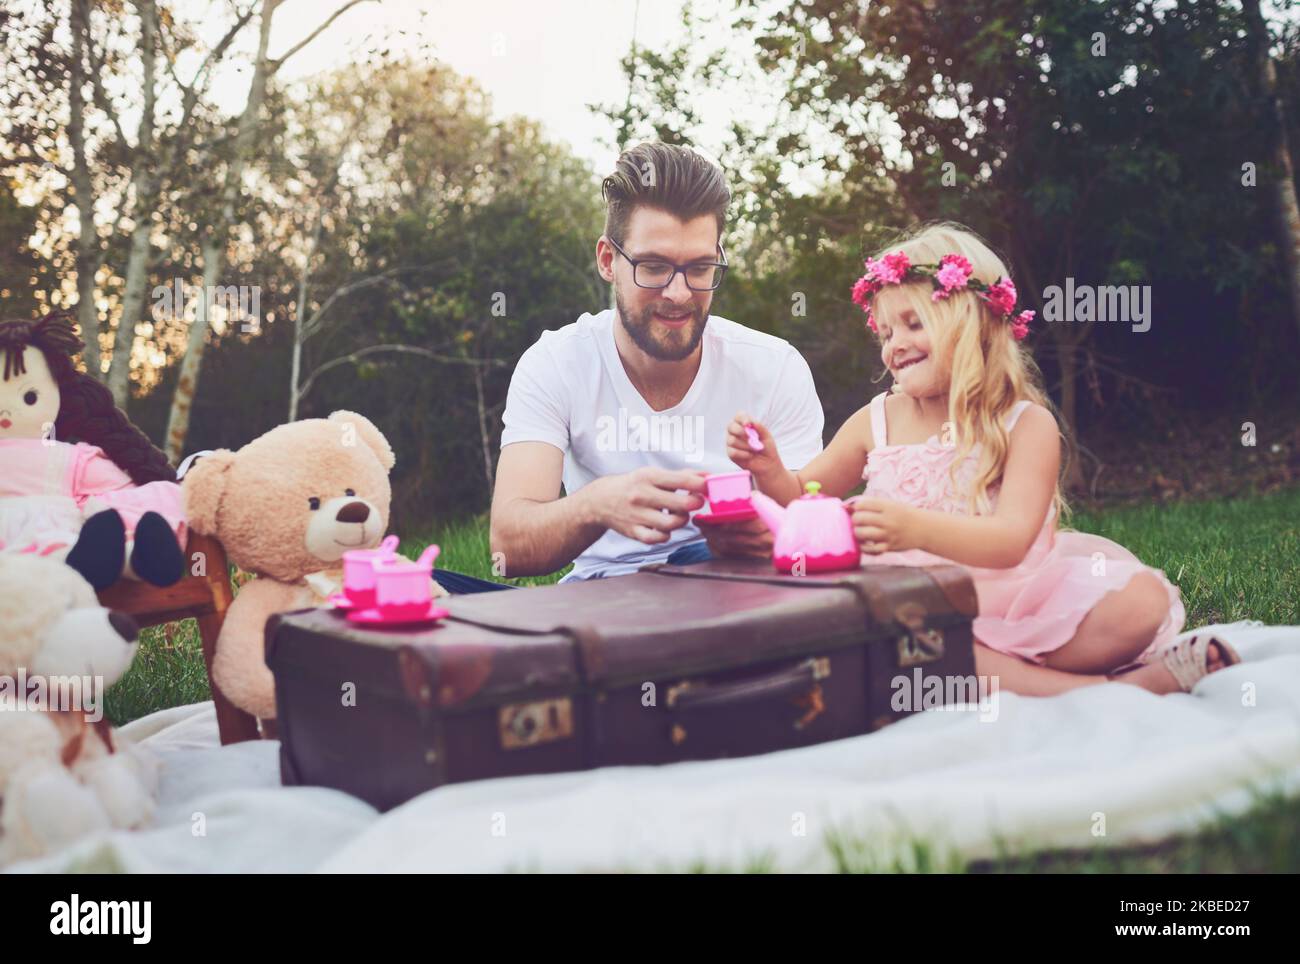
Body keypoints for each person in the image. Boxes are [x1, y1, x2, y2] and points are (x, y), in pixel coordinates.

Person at [728, 221, 1239, 696]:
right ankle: (1112, 691)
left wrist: (915, 528)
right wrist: (769, 468)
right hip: (918, 606)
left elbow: (1012, 540)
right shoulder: (875, 420)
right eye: (885, 333)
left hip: (1017, 596)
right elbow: (802, 497)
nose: (895, 345)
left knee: (1140, 602)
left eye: (913, 324)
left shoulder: (1025, 424)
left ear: (971, 322)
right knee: (929, 648)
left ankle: (1028, 672)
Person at [432, 142, 824, 594]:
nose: (678, 293)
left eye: (699, 268)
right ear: (607, 261)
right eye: (654, 266)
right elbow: (509, 551)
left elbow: (813, 532)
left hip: (723, 588)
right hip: (595, 606)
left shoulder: (775, 368)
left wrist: (757, 536)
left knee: (695, 558)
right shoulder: (555, 362)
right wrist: (597, 505)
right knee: (424, 588)